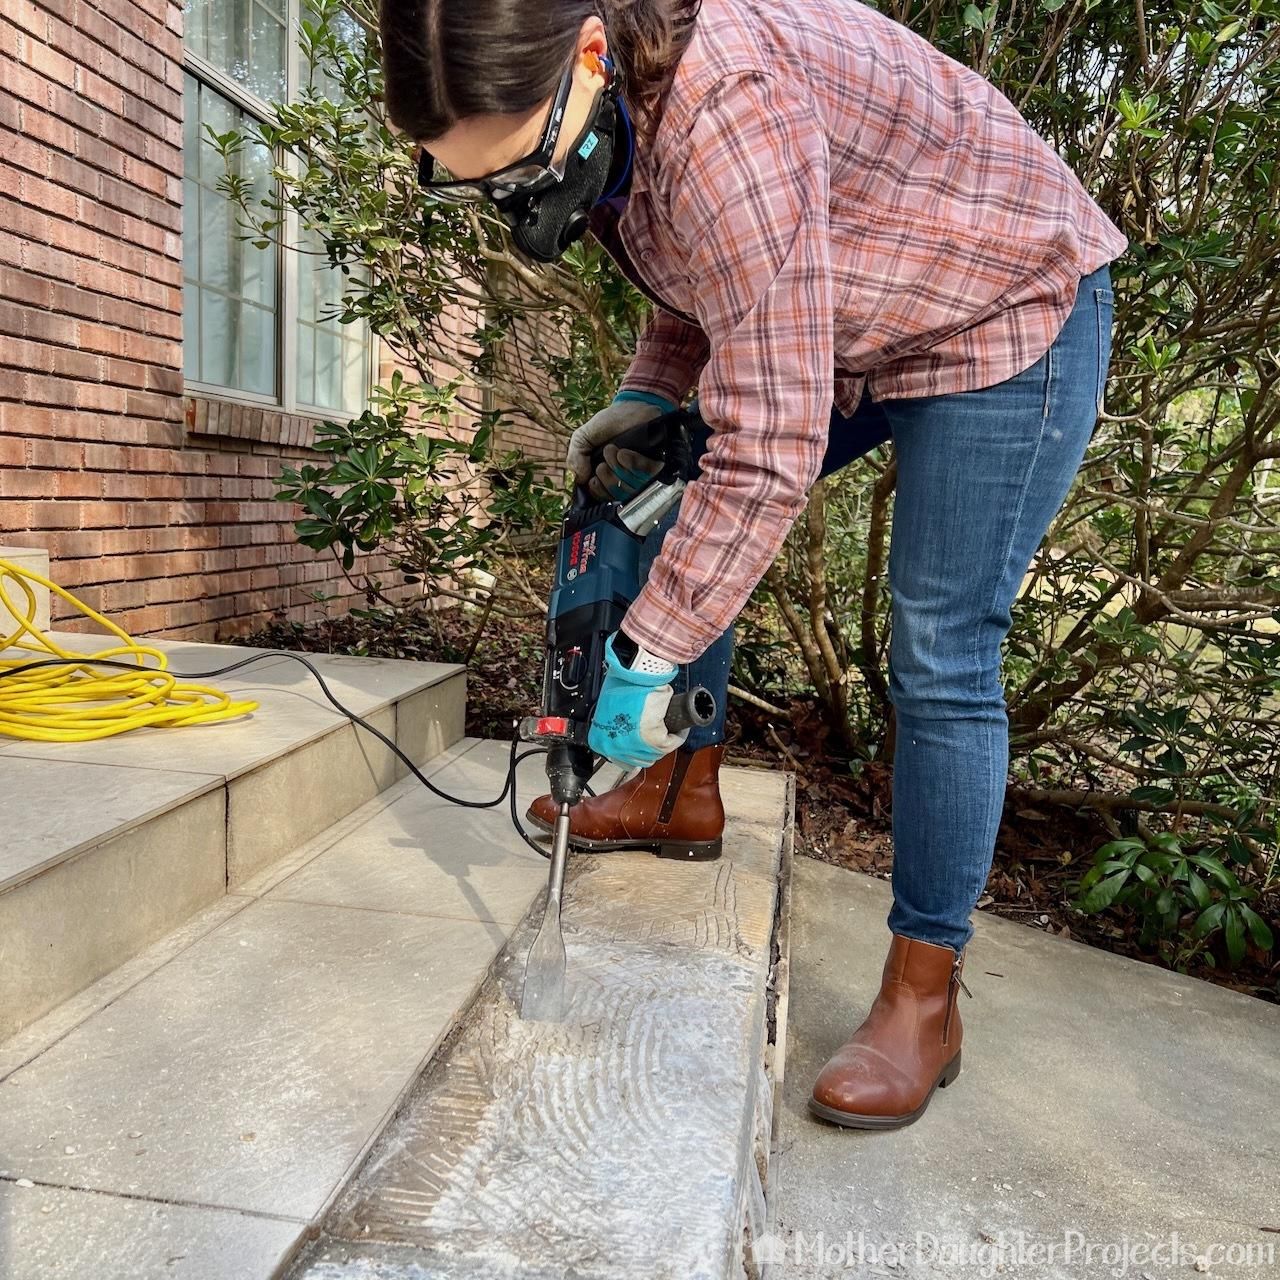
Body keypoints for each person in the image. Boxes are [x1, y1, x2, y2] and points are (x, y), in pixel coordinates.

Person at [379, 0, 1127, 1129]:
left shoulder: (727, 106)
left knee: (938, 645)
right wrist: (648, 389)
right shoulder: (607, 95)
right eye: (474, 182)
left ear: (586, 58)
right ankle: (682, 786)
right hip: (851, 308)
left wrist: (650, 649)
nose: (517, 199)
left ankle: (924, 993)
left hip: (1000, 310)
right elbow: (704, 267)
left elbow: (769, 443)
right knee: (663, 478)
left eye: (523, 162)